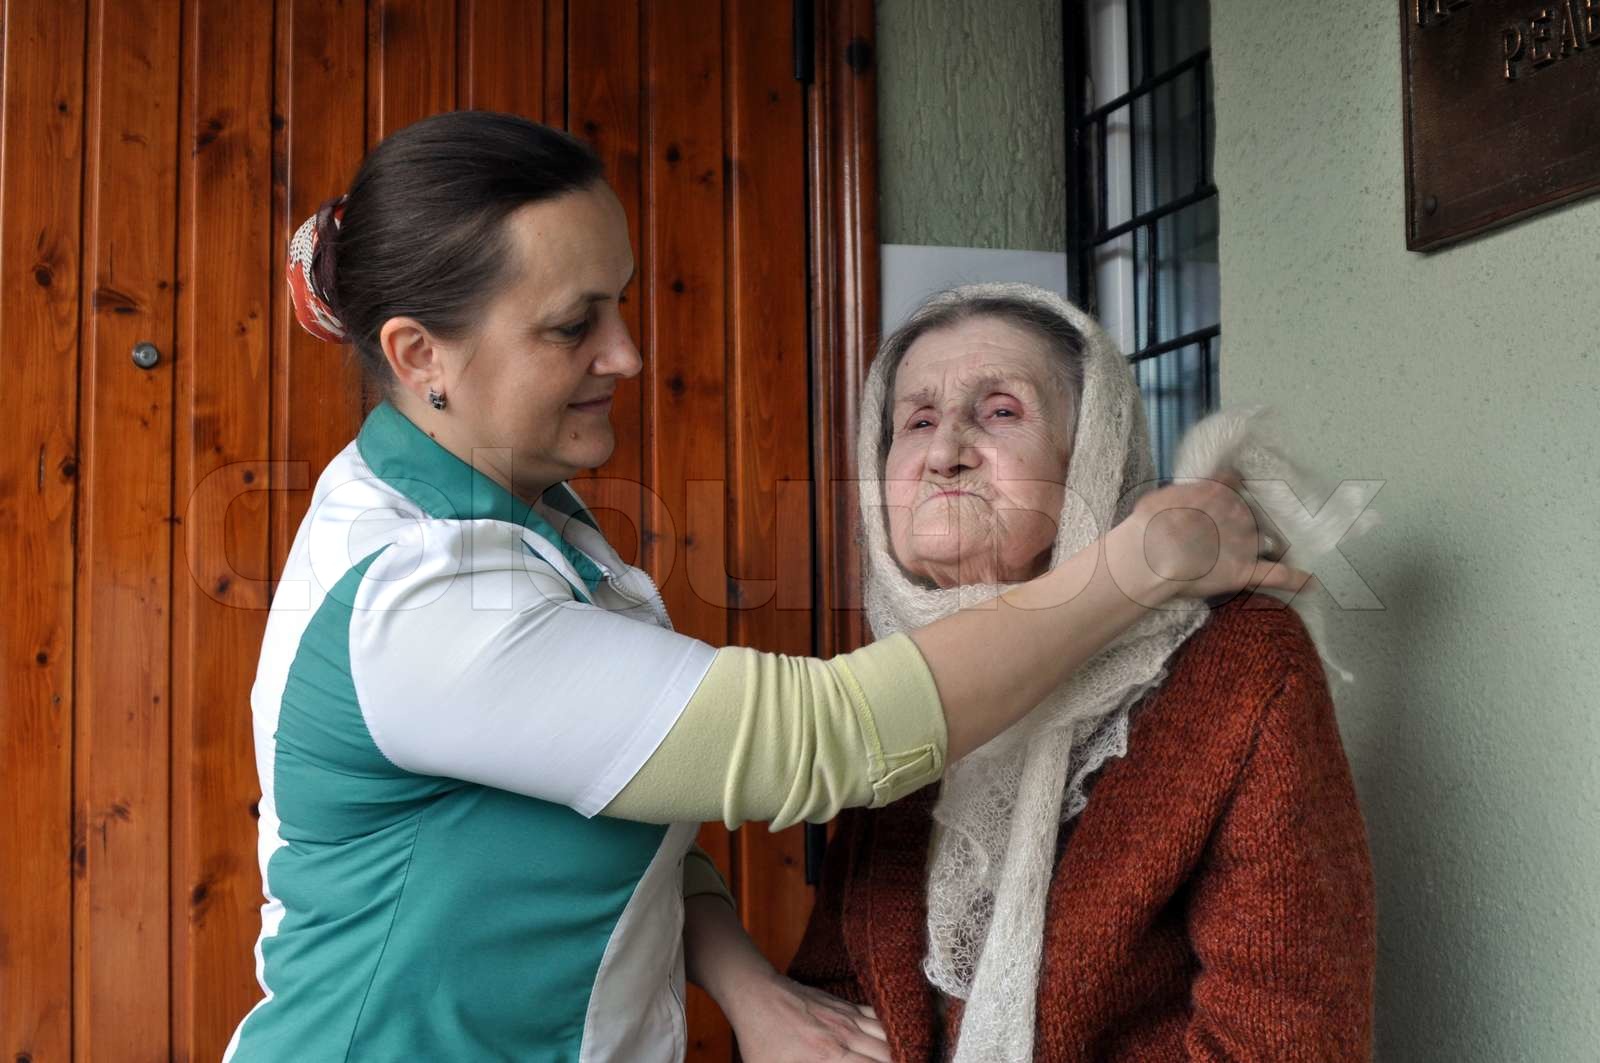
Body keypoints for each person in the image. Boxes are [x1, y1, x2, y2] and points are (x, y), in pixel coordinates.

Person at [226, 113, 1307, 1062]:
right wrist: (1140, 564)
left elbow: (629, 789)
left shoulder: (540, 523)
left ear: (1097, 446)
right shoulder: (419, 596)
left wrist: (750, 988)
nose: (627, 354)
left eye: (1001, 411)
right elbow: (816, 737)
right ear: (420, 355)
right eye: (572, 324)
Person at [787, 284, 1377, 1061]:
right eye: (918, 421)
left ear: (1091, 453)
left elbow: (1286, 1043)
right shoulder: (893, 687)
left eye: (1000, 410)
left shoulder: (1240, 663)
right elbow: (834, 986)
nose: (944, 449)